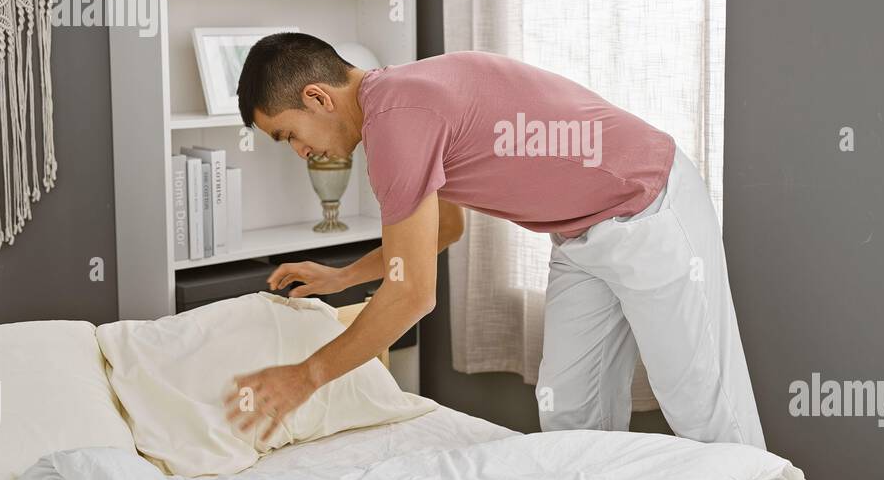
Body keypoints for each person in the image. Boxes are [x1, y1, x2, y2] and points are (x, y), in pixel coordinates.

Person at [224, 33, 766, 450]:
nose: (300, 151)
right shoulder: (401, 102)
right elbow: (446, 229)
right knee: (571, 412)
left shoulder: (398, 121)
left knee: (704, 404)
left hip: (648, 206)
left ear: (317, 97)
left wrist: (306, 377)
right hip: (578, 234)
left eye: (289, 134)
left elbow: (412, 295)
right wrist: (343, 276)